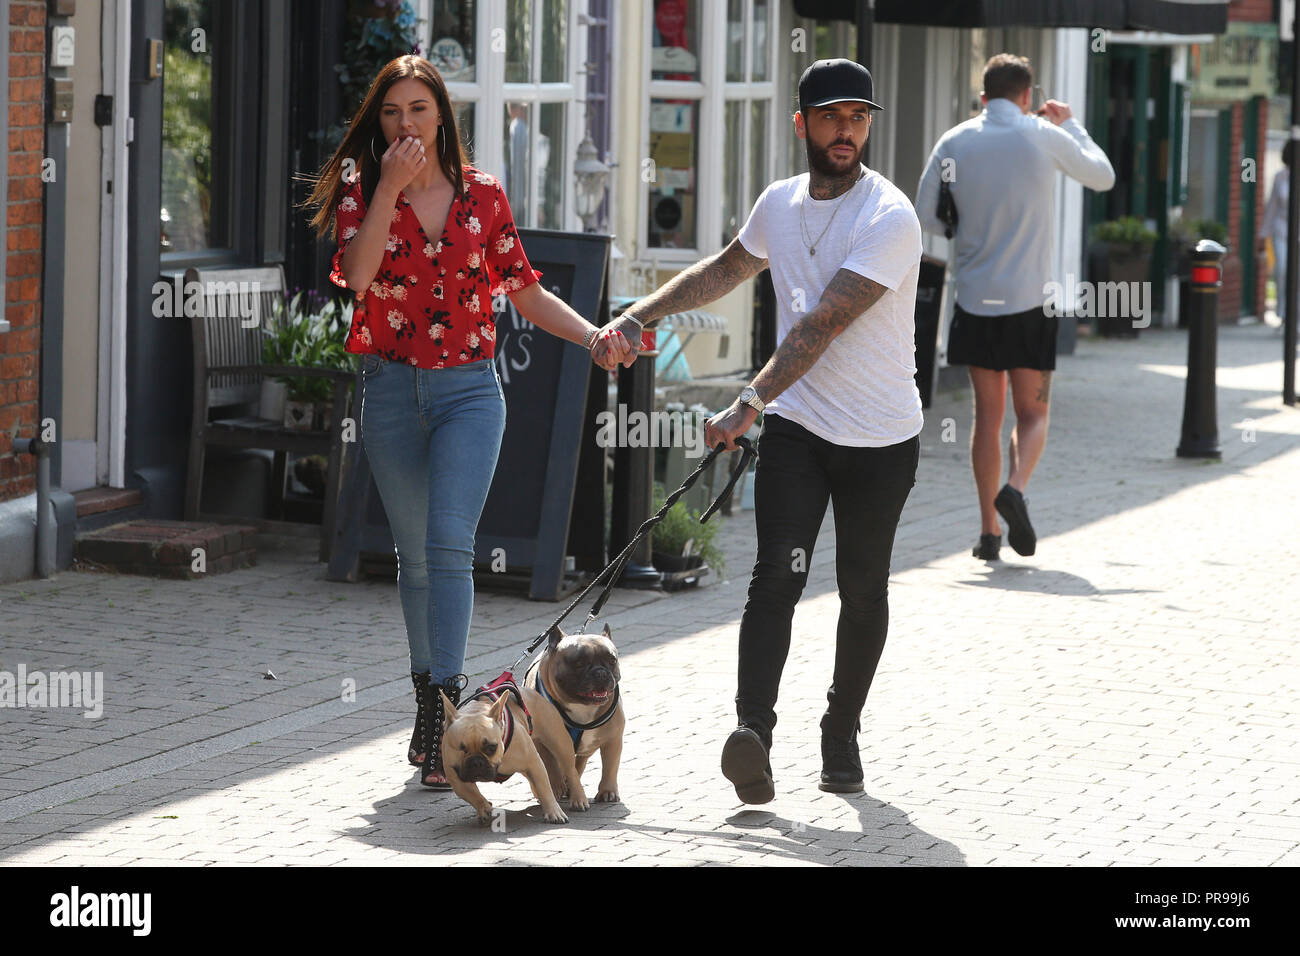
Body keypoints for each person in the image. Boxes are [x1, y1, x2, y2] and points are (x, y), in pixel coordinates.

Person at [305, 55, 633, 790]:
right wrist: (388, 185)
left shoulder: (482, 197)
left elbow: (526, 290)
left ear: (442, 118)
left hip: (469, 395)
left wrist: (591, 335)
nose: (405, 124)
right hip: (389, 390)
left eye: (418, 109)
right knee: (413, 557)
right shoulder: (366, 191)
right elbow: (356, 278)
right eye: (391, 113)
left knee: (449, 545)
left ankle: (453, 717)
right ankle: (430, 703)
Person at [601, 59, 924, 801]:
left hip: (880, 437)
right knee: (777, 572)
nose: (847, 130)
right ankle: (754, 735)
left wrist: (747, 398)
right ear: (802, 122)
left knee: (861, 588)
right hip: (800, 429)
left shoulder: (889, 216)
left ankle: (840, 732)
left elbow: (822, 325)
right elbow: (721, 271)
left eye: (859, 117)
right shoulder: (780, 204)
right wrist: (636, 316)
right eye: (832, 116)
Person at [916, 54, 1114, 562]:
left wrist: (962, 229)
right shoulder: (1042, 134)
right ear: (1027, 96)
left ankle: (987, 534)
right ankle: (1017, 487)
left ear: (984, 96)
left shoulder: (955, 141)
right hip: (1032, 300)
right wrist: (1069, 123)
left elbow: (925, 216)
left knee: (987, 416)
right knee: (1033, 412)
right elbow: (1102, 176)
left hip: (976, 299)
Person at [1259, 141, 1292, 323]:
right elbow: (1271, 206)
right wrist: (1263, 235)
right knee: (1281, 269)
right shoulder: (1280, 177)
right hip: (1281, 229)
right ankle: (1283, 309)